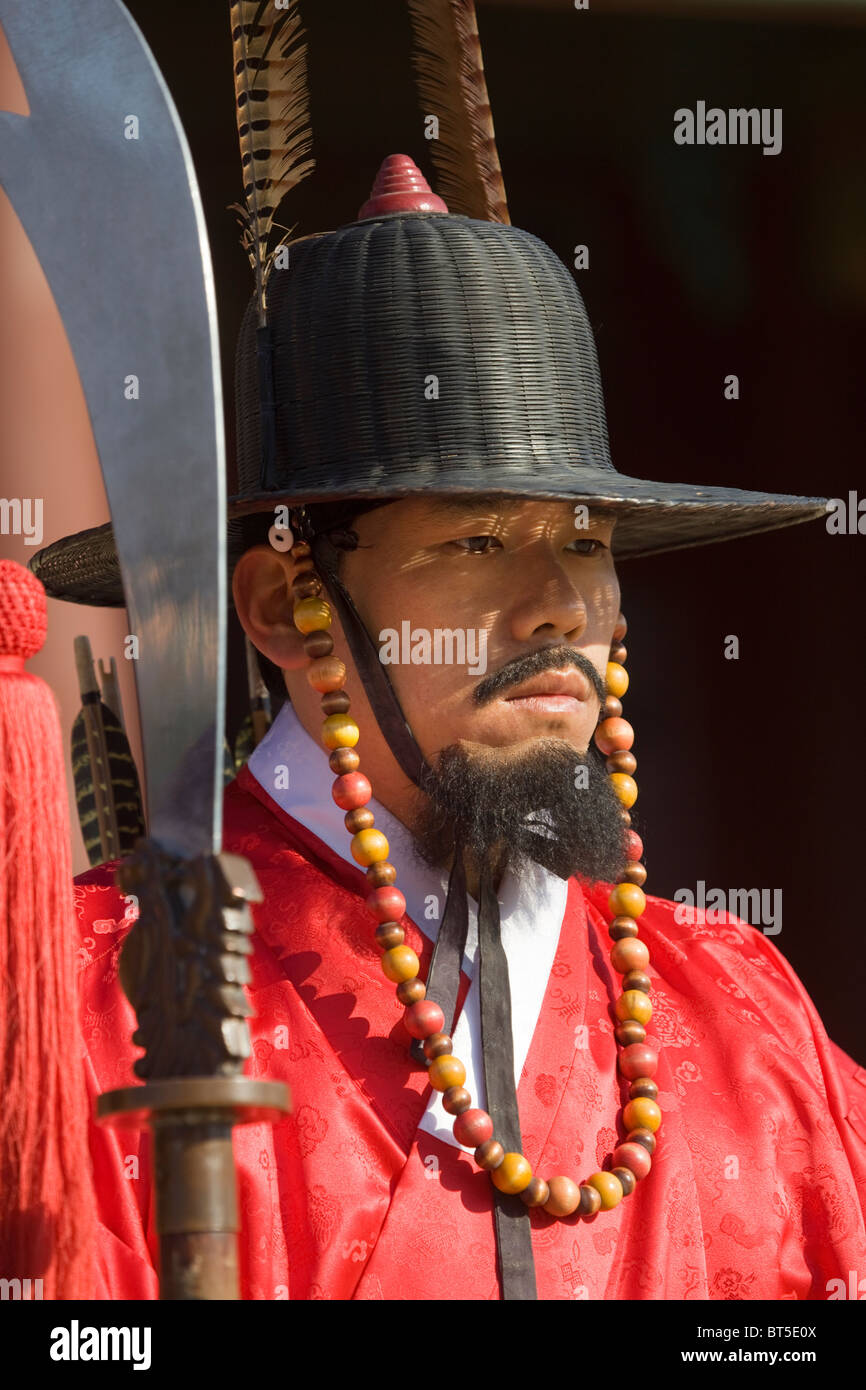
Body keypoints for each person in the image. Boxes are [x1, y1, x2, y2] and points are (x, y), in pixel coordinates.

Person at [55, 149, 866, 1301]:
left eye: (584, 542)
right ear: (287, 609)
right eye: (476, 540)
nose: (561, 605)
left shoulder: (739, 1012)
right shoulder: (95, 990)